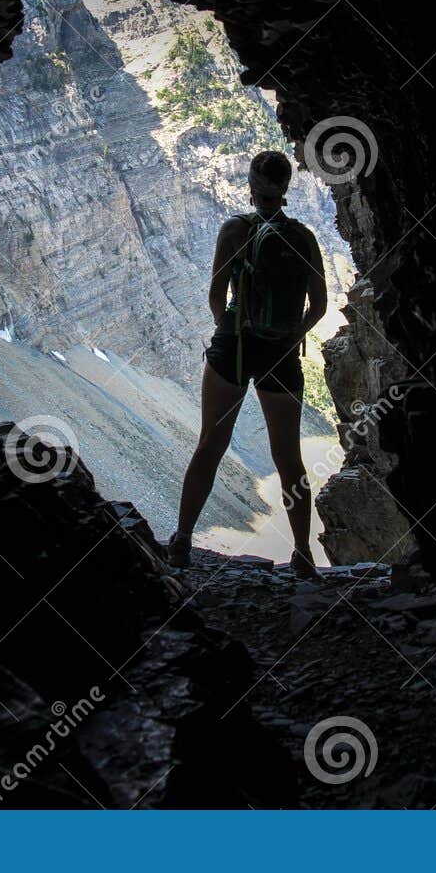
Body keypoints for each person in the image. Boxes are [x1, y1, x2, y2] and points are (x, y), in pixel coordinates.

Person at [168, 150, 329, 578]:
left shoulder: (235, 229)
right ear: (286, 190)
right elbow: (321, 305)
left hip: (234, 348)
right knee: (288, 459)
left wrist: (231, 329)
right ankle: (302, 553)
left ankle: (182, 539)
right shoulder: (305, 238)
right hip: (281, 353)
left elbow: (216, 291)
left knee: (210, 445)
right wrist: (294, 335)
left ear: (252, 189)